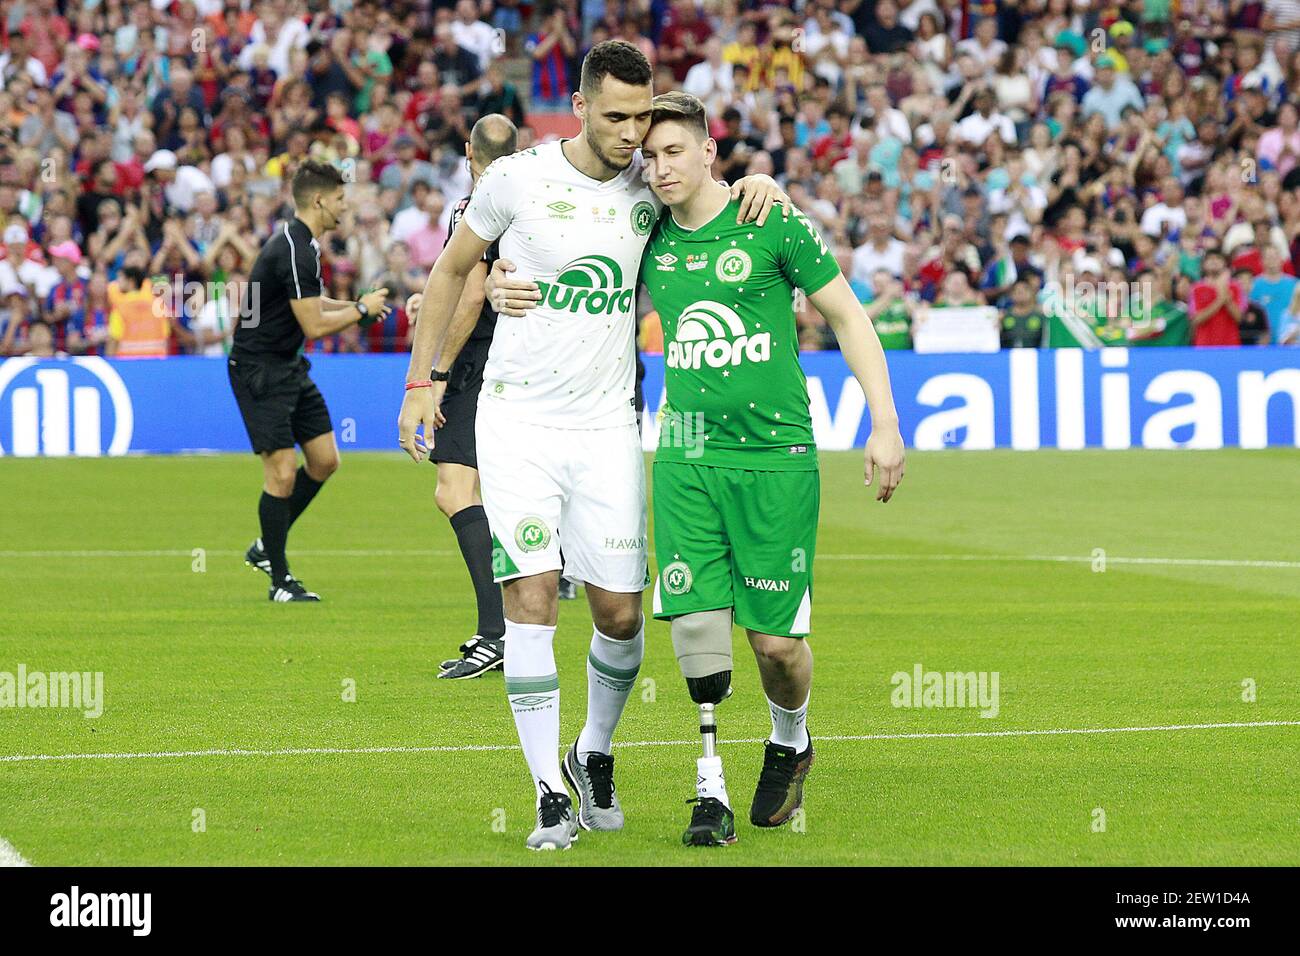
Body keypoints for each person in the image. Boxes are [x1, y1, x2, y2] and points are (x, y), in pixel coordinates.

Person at [398, 41, 788, 851]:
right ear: (578, 107)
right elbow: (450, 272)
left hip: (608, 424)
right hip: (518, 424)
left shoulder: (652, 183)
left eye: (643, 116)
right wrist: (421, 383)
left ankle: (593, 750)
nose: (631, 132)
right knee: (531, 596)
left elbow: (714, 195)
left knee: (619, 612)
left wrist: (759, 181)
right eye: (615, 116)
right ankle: (547, 794)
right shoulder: (516, 180)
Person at [633, 91, 904, 845]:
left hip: (776, 457)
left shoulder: (770, 220)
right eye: (649, 157)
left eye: (674, 152)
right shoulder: (644, 230)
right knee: (695, 627)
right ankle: (708, 788)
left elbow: (849, 317)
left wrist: (884, 424)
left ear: (709, 152)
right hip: (685, 453)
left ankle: (791, 734)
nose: (659, 169)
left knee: (775, 647)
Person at [229, 160, 391, 602]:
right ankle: (279, 580)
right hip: (259, 370)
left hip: (287, 365)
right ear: (319, 200)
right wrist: (359, 311)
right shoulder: (295, 248)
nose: (345, 206)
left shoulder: (300, 243)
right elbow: (315, 326)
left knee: (323, 460)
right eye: (340, 199)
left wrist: (356, 304)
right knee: (281, 474)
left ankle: (267, 544)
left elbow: (311, 305)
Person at [402, 114, 519, 680]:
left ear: (467, 152)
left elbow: (471, 291)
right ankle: (512, 627)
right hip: (522, 355)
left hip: (478, 361)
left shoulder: (476, 205)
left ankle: (496, 635)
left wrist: (438, 372)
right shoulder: (527, 193)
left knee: (453, 491)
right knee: (495, 493)